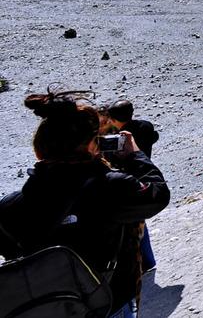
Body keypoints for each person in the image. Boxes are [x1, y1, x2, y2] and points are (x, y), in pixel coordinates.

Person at [0, 91, 170, 317]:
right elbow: (158, 195)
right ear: (92, 146)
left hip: (49, 310)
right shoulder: (110, 188)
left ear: (39, 150)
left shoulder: (9, 207)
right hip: (108, 302)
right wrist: (135, 156)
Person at [108, 98, 160, 273]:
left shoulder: (120, 137)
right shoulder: (145, 126)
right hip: (143, 174)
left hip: (126, 180)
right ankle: (148, 260)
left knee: (130, 224)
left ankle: (140, 263)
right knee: (140, 221)